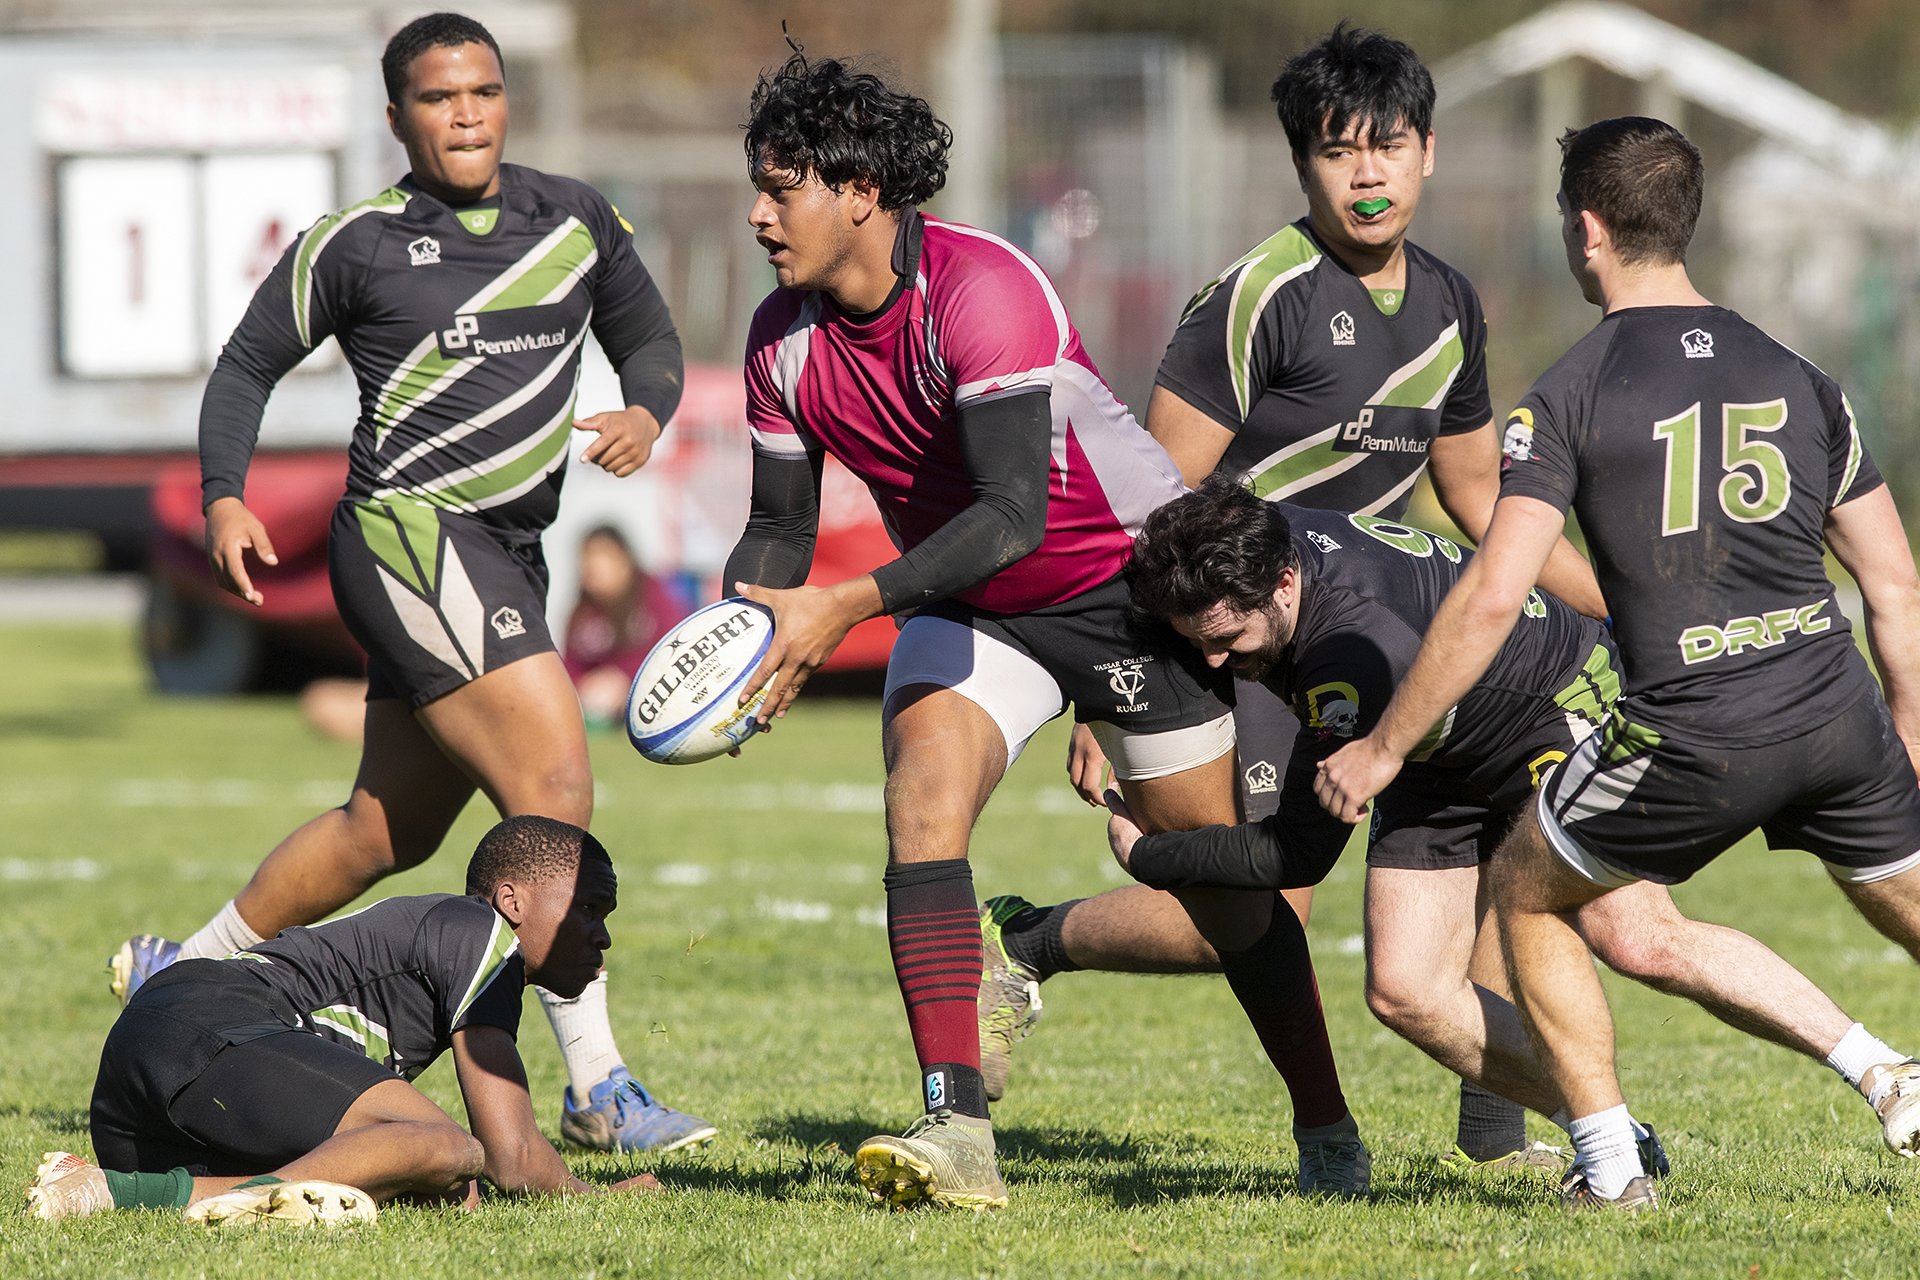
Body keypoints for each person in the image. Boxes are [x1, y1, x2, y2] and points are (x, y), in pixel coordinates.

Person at [725, 50, 1367, 1206]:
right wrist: (744, 634)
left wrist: (847, 603)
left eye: (783, 188)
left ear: (860, 192)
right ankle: (958, 1131)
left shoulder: (985, 287)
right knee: (920, 797)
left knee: (1228, 902)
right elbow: (778, 526)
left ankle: (1326, 1125)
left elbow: (1016, 514)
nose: (760, 215)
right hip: (971, 600)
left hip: (1128, 596)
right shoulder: (780, 339)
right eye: (759, 188)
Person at [980, 23, 1606, 1173]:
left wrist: (1614, 610)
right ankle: (1030, 940)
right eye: (1337, 151)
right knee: (1268, 906)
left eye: (1390, 146)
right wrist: (1104, 694)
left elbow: (1478, 495)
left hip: (1381, 624)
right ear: (1301, 164)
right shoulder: (1257, 296)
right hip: (1246, 642)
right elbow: (1150, 512)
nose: (1366, 173)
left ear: (1428, 153)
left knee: (1505, 839)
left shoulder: (1452, 303)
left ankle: (1494, 1127)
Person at [107, 12, 713, 1155]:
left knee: (383, 828)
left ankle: (180, 967)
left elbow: (653, 343)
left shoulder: (576, 219)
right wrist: (225, 492)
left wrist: (645, 410)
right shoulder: (357, 240)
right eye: (439, 99)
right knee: (555, 779)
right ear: (398, 118)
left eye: (483, 90)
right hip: (408, 535)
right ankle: (598, 1086)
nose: (467, 113)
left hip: (503, 553)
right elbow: (246, 363)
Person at [1315, 117, 1920, 1212]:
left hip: (1691, 729)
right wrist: (1907, 743)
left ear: (1585, 230)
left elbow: (1497, 590)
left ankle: (1608, 1165)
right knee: (1905, 896)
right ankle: (1887, 1075)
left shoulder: (1566, 394)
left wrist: (1384, 745)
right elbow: (1894, 587)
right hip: (1835, 711)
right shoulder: (1804, 378)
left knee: (1528, 892)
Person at [1103, 477, 1920, 1188]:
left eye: (1226, 643)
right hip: (1431, 742)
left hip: (1553, 711)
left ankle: (1883, 1072)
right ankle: (1610, 1131)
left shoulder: (1349, 657)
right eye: (1194, 645)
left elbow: (1294, 853)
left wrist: (1151, 853)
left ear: (1284, 586)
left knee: (1636, 935)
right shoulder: (1260, 541)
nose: (1213, 666)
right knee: (1407, 989)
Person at [29, 818, 659, 1226]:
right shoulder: (484, 933)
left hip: (154, 1091)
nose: (602, 934)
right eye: (589, 905)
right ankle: (151, 1196)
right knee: (446, 1149)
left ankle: (114, 1191)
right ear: (512, 900)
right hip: (207, 1022)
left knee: (431, 1174)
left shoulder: (449, 936)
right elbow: (510, 1160)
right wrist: (595, 1197)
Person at [564, 525, 685, 724]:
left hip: (655, 697)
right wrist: (585, 685)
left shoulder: (652, 597)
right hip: (596, 706)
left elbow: (674, 649)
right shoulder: (582, 611)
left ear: (624, 560)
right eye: (589, 558)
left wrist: (624, 679)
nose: (595, 566)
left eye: (605, 557)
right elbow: (570, 666)